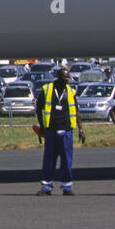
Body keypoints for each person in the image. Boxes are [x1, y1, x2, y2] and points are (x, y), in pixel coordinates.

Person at [34, 67, 86, 195]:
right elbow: (38, 108)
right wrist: (41, 126)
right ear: (59, 77)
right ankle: (46, 187)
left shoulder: (70, 92)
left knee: (67, 159)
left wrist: (81, 129)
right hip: (51, 131)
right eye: (65, 77)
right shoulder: (47, 90)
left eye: (68, 77)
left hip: (66, 131)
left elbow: (77, 111)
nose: (67, 80)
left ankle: (67, 186)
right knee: (49, 159)